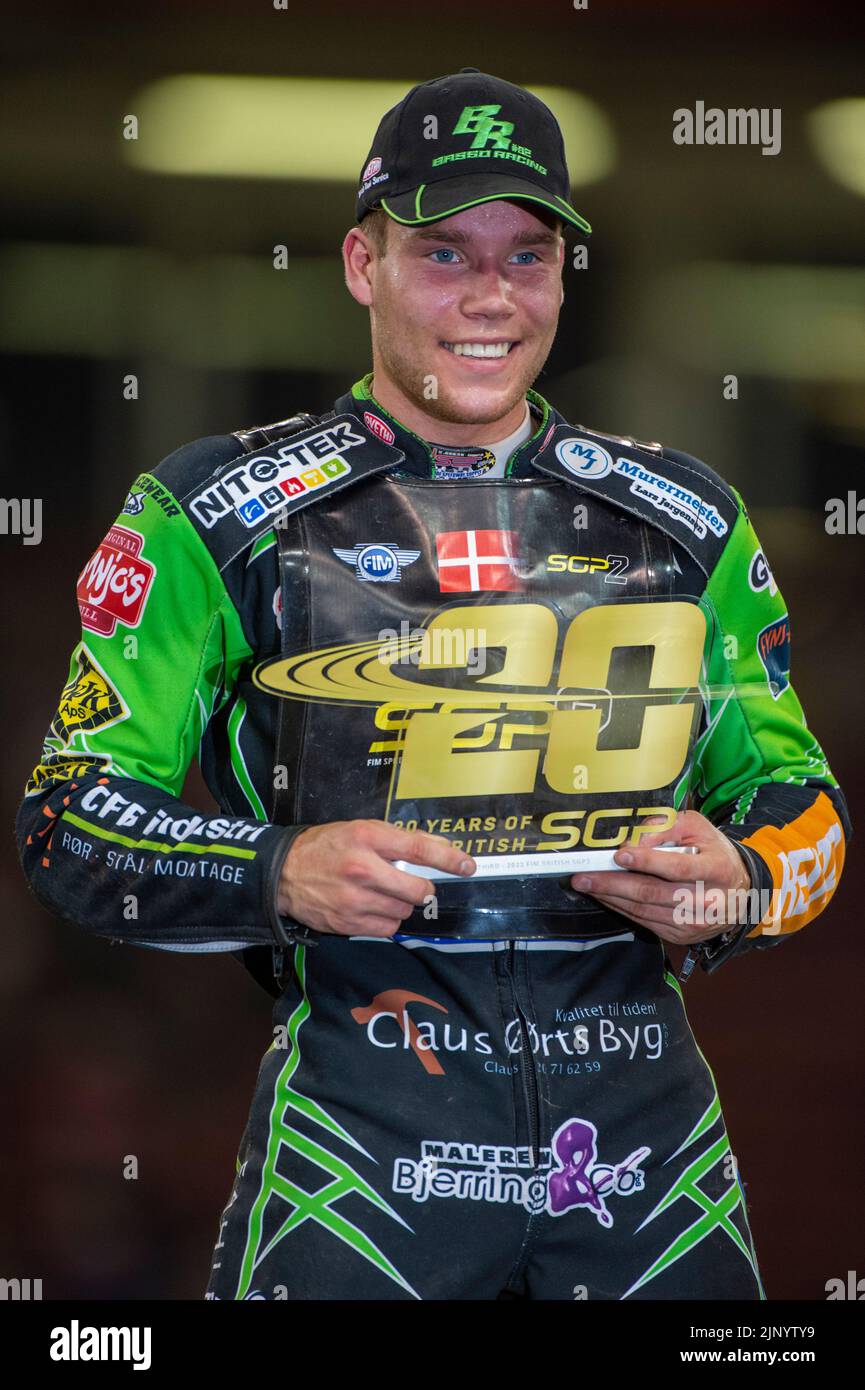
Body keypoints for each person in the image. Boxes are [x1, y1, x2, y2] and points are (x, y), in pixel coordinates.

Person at [17, 68, 850, 1301]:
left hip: (644, 1154)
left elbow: (801, 801)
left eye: (526, 257)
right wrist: (276, 871)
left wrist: (740, 883)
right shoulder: (215, 514)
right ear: (362, 264)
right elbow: (66, 813)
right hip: (363, 1143)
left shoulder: (687, 526)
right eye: (444, 253)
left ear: (565, 275)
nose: (489, 298)